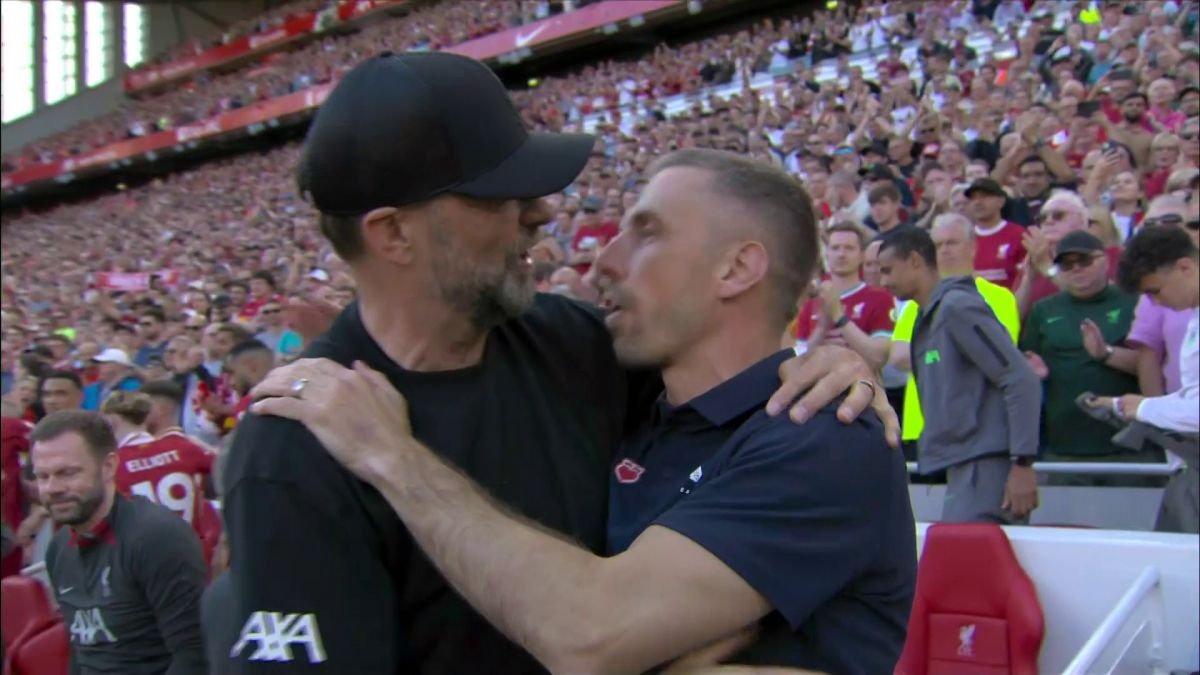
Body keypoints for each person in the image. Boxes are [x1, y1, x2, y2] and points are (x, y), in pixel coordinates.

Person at [218, 52, 896, 675]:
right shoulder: (297, 442)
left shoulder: (580, 348)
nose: (542, 212)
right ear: (394, 233)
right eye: (500, 192)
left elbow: (736, 369)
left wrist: (833, 368)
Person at [879, 227, 1041, 523]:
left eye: (888, 270)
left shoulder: (957, 307)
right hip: (964, 465)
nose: (883, 281)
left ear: (915, 260)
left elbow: (1021, 379)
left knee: (974, 563)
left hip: (986, 468)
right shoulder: (925, 316)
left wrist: (1022, 464)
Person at [31, 410, 208, 674]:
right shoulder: (59, 548)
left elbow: (194, 657)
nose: (53, 488)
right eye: (43, 476)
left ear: (109, 467)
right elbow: (81, 653)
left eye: (67, 473)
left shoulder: (156, 538)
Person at [1020, 231, 1152, 485]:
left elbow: (1154, 367)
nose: (1076, 269)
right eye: (1066, 264)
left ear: (1105, 260)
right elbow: (1029, 360)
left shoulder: (1136, 302)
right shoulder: (1044, 309)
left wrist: (1106, 354)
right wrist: (1033, 370)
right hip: (1064, 448)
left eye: (1085, 261)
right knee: (1065, 524)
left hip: (1128, 448)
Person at [890, 214, 1021, 464]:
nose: (944, 250)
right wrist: (955, 349)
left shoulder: (999, 297)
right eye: (938, 245)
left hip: (973, 431)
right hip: (920, 426)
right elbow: (897, 357)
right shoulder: (918, 299)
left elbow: (997, 356)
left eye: (952, 243)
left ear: (972, 247)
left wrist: (932, 350)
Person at [1095, 226, 1200, 532]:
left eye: (1155, 291)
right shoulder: (1194, 319)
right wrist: (1122, 405)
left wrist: (1143, 409)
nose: (1155, 303)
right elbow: (1192, 397)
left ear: (1185, 267)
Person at [787, 222, 895, 371]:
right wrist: (821, 330)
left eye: (849, 248)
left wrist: (839, 317)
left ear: (862, 255)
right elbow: (797, 363)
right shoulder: (812, 302)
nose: (841, 254)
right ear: (827, 254)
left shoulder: (880, 298)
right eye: (835, 248)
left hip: (862, 389)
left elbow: (878, 358)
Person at [965, 178, 1027, 290]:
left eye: (984, 196)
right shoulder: (964, 238)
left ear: (1001, 201)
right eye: (973, 198)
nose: (978, 202)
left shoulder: (1019, 235)